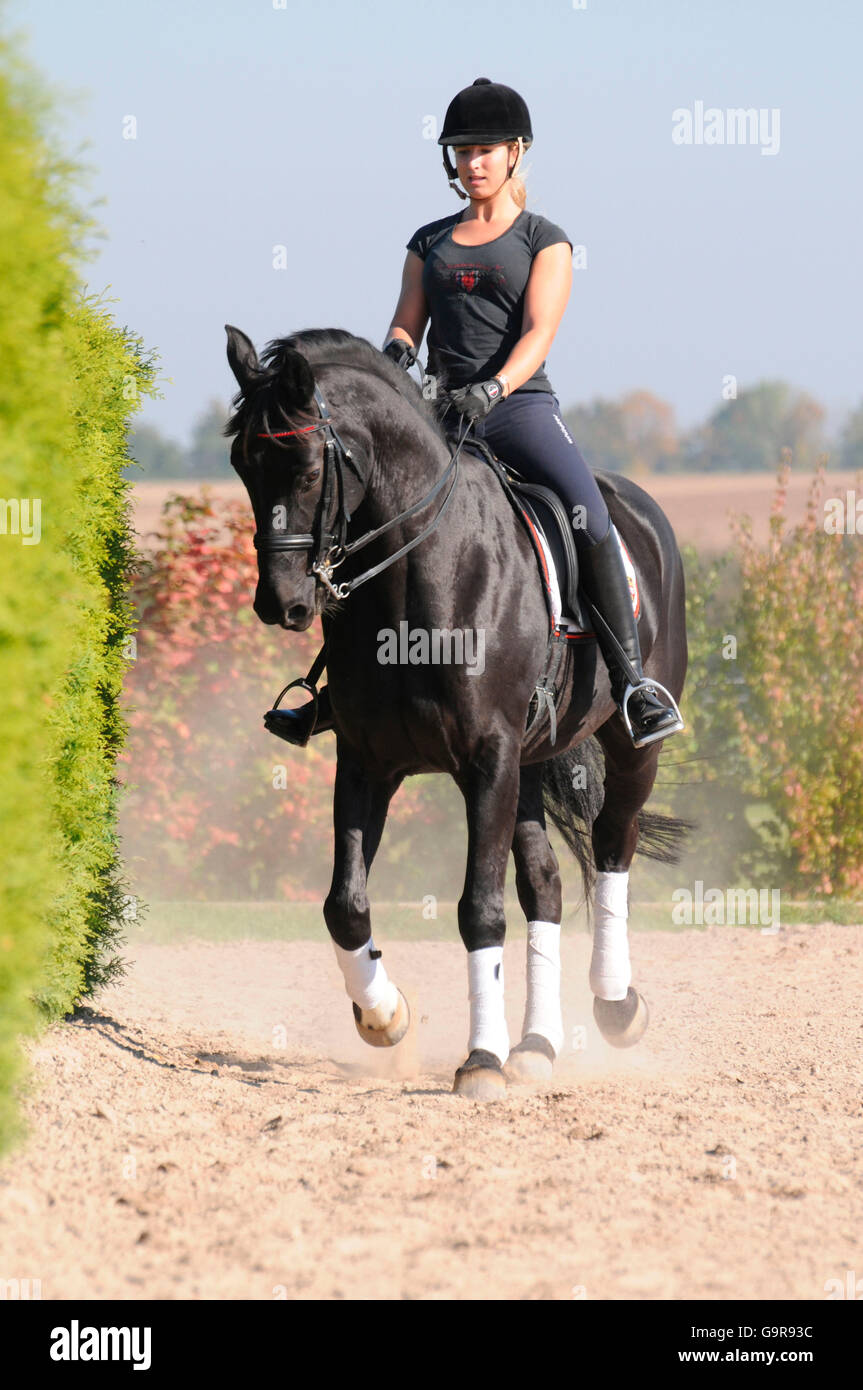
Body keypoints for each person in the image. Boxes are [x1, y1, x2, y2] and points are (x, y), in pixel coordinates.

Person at [276, 77, 683, 748]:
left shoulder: (542, 240)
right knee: (362, 517)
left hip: (517, 410)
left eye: (485, 150)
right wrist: (394, 363)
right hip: (438, 416)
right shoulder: (428, 241)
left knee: (591, 516)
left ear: (517, 152)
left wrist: (490, 391)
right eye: (461, 151)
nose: (472, 163)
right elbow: (406, 325)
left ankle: (633, 681)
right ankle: (335, 689)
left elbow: (537, 336)